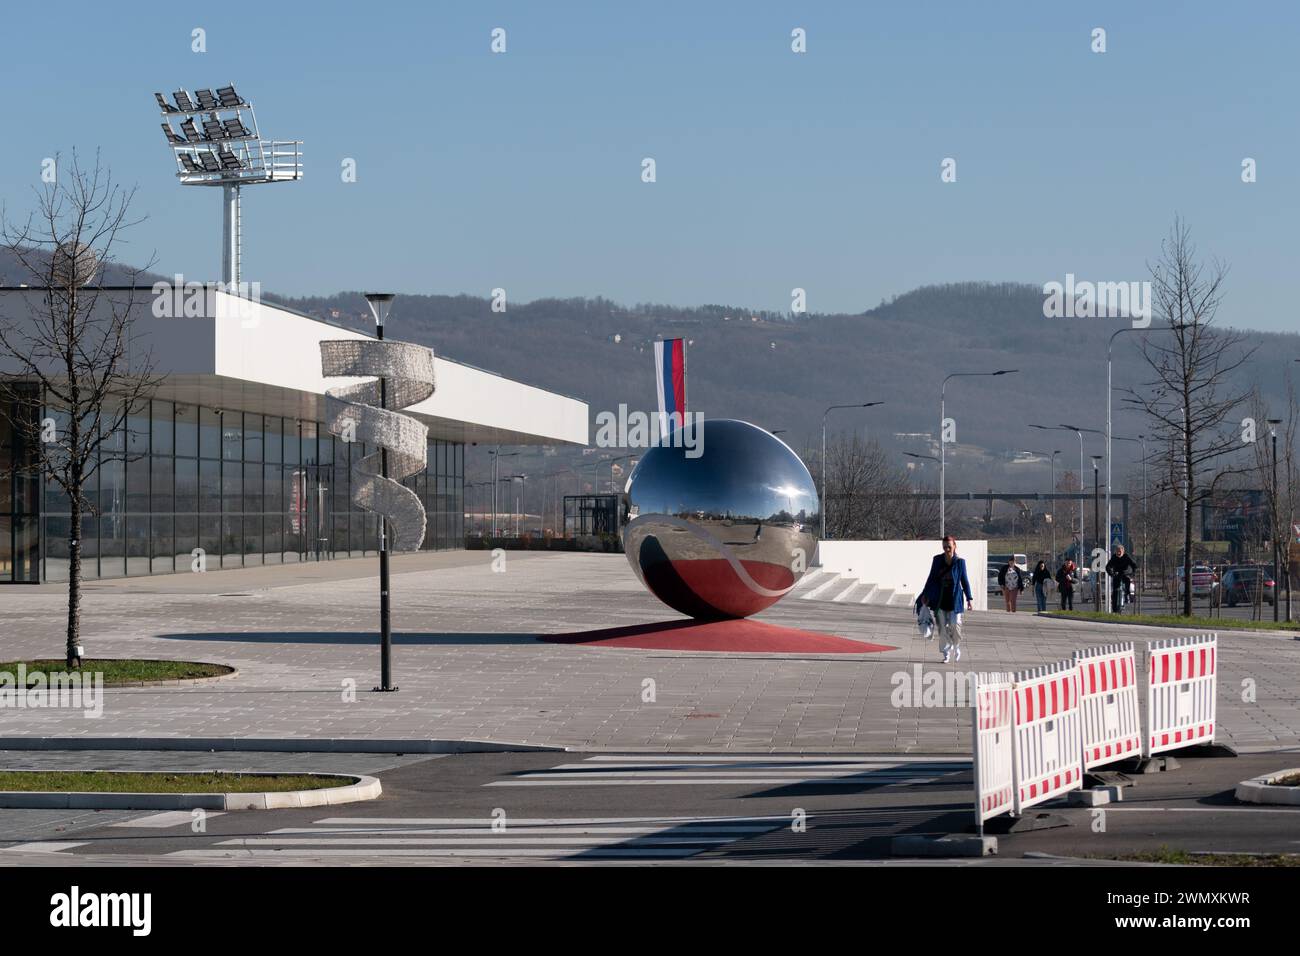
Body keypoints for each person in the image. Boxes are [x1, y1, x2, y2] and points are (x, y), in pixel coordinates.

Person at [915, 535, 974, 663]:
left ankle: (956, 646)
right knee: (942, 627)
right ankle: (946, 653)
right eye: (944, 547)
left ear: (954, 546)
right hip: (940, 598)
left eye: (949, 546)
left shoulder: (960, 562)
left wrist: (969, 598)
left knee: (955, 624)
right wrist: (925, 594)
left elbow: (964, 581)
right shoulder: (937, 560)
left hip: (954, 599)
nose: (947, 549)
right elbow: (931, 578)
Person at [1105, 544, 1137, 612]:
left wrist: (1133, 572)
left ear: (1123, 551)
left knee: (1127, 580)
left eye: (1120, 551)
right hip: (1116, 574)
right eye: (1117, 551)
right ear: (1115, 552)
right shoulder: (1114, 557)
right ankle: (1114, 609)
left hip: (1124, 573)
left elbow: (1134, 565)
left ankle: (1127, 595)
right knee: (1115, 592)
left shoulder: (1126, 557)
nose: (1119, 553)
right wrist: (1111, 573)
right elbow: (1108, 566)